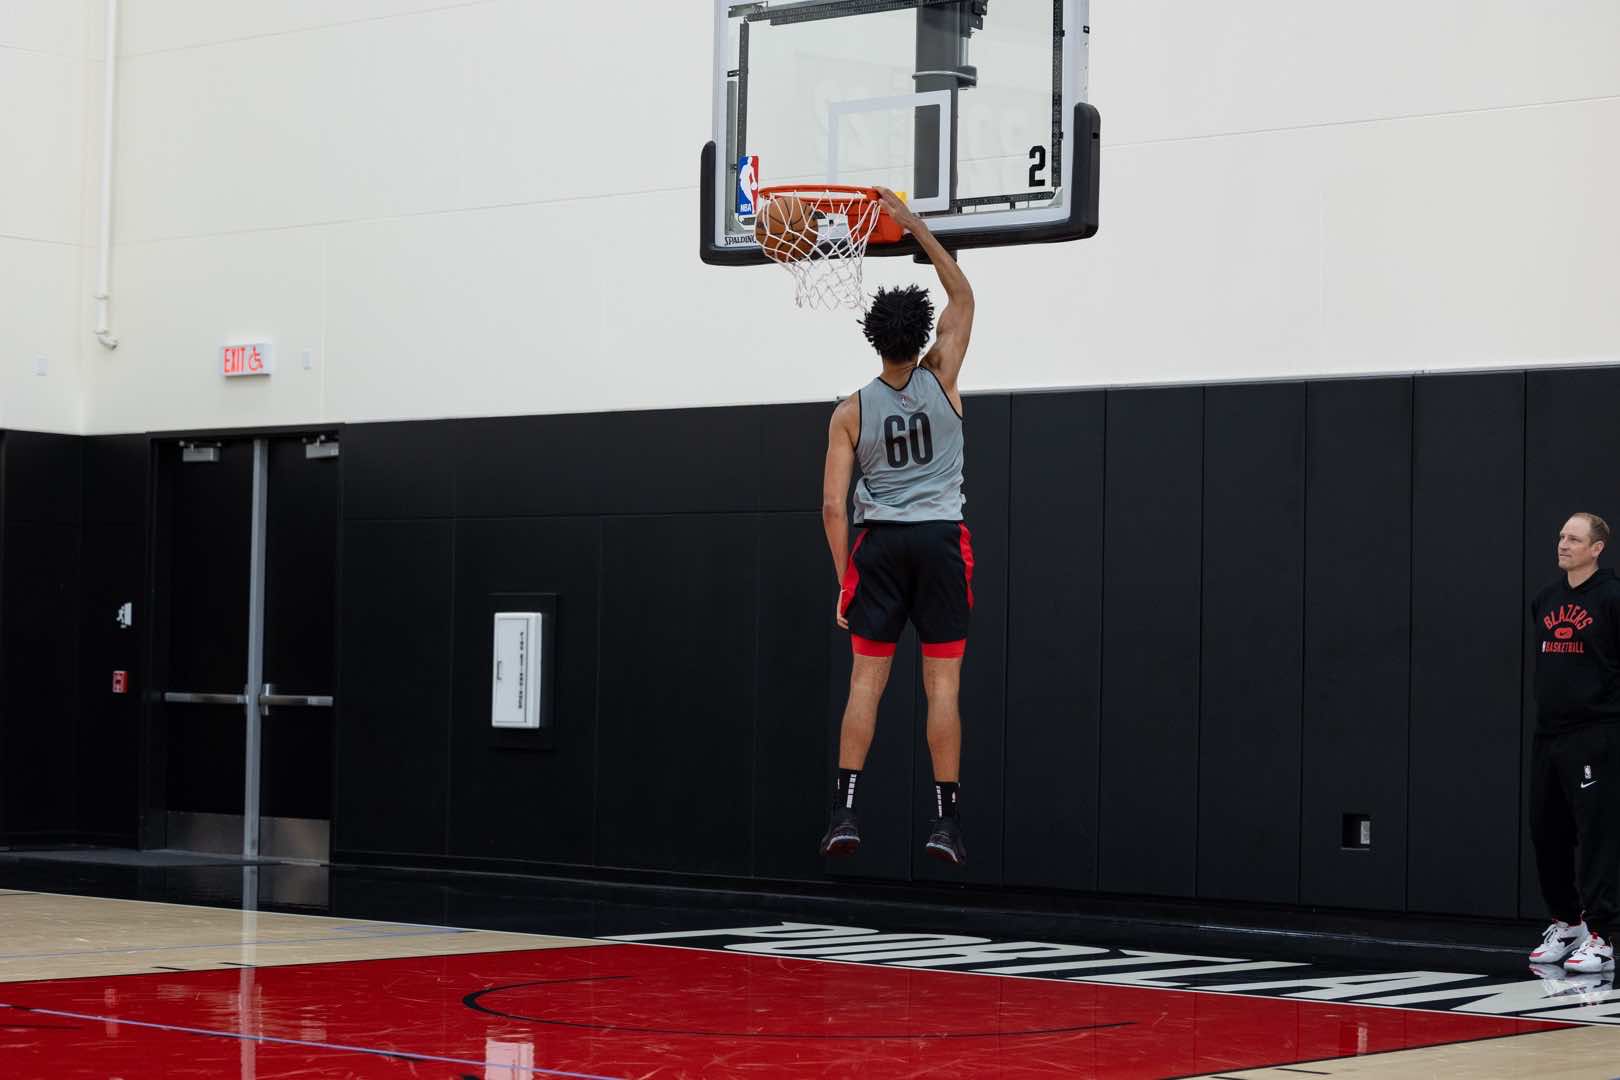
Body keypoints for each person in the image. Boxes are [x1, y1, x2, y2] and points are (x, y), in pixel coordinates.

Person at [817, 188, 975, 866]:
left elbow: (831, 506)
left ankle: (845, 814)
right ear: (922, 337)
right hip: (940, 541)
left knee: (864, 687)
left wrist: (845, 584)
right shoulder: (943, 376)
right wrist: (917, 228)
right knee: (942, 689)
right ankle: (946, 824)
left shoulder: (850, 410)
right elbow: (963, 298)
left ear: (875, 338)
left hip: (878, 549)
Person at [1528, 512, 1620, 973]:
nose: (1563, 544)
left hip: (1595, 736)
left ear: (1597, 548)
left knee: (1598, 838)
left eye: (1574, 538)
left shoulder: (1612, 598)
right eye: (1561, 535)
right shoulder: (1545, 599)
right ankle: (1568, 923)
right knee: (1546, 832)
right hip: (1550, 736)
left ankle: (1604, 936)